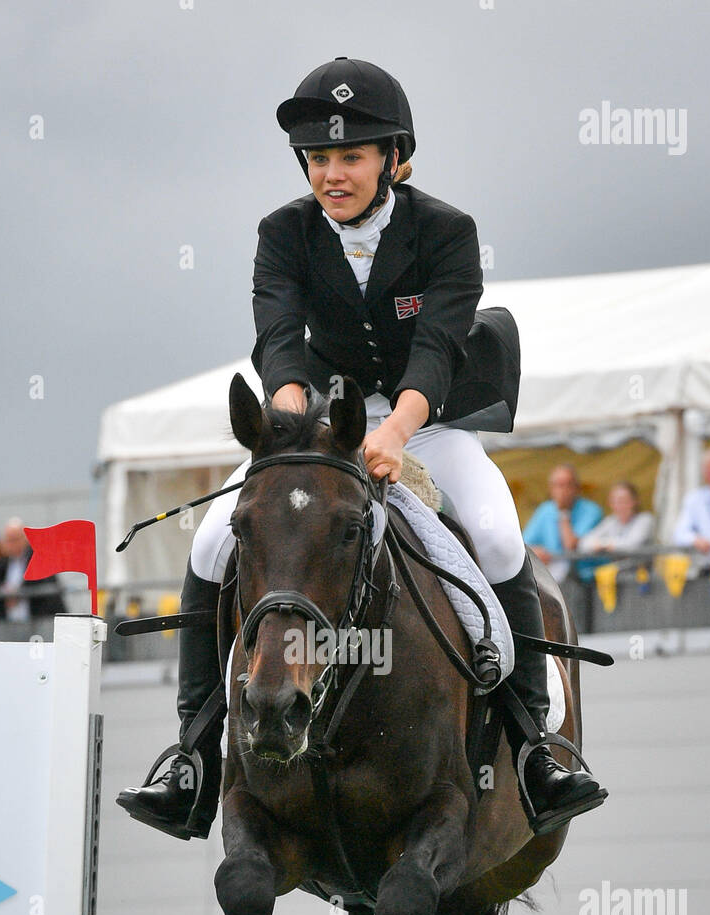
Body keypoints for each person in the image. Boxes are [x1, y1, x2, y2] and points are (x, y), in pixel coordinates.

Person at [118, 57, 606, 842]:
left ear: (393, 159)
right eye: (319, 160)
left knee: (496, 532)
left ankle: (536, 747)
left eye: (350, 157)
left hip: (429, 420)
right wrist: (292, 429)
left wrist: (395, 431)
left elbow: (439, 346)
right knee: (212, 542)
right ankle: (193, 756)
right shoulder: (283, 234)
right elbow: (277, 337)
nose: (332, 174)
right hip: (317, 421)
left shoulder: (446, 232)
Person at [523, 464, 604, 583]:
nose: (564, 491)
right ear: (551, 489)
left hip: (586, 582)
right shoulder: (545, 510)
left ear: (577, 488)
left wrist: (563, 513)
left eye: (568, 485)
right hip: (553, 579)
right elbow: (524, 543)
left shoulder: (592, 510)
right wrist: (535, 552)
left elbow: (570, 546)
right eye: (559, 486)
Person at [0, 517, 63, 621]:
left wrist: (17, 593)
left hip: (40, 618)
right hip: (11, 621)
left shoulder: (40, 557)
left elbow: (41, 581)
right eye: (8, 540)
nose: (12, 544)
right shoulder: (1, 563)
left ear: (25, 538)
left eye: (15, 539)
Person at [577, 481, 655, 565]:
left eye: (623, 501)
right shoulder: (610, 521)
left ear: (635, 501)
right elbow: (584, 544)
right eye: (615, 501)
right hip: (619, 573)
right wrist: (608, 545)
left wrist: (604, 544)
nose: (619, 506)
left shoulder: (645, 519)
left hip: (645, 573)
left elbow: (632, 545)